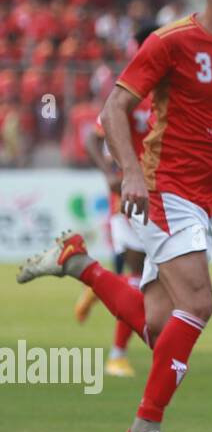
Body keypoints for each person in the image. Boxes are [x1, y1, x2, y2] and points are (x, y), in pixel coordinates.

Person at [16, 0, 212, 432]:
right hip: (163, 187)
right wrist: (130, 172)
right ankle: (144, 430)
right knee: (199, 303)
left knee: (161, 331)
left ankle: (78, 263)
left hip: (201, 197)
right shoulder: (169, 42)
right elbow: (111, 111)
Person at [74, 24, 158, 379]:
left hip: (164, 194)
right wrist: (111, 174)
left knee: (148, 275)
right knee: (140, 273)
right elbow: (93, 137)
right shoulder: (132, 87)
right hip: (132, 192)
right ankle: (117, 355)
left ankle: (101, 286)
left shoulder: (171, 88)